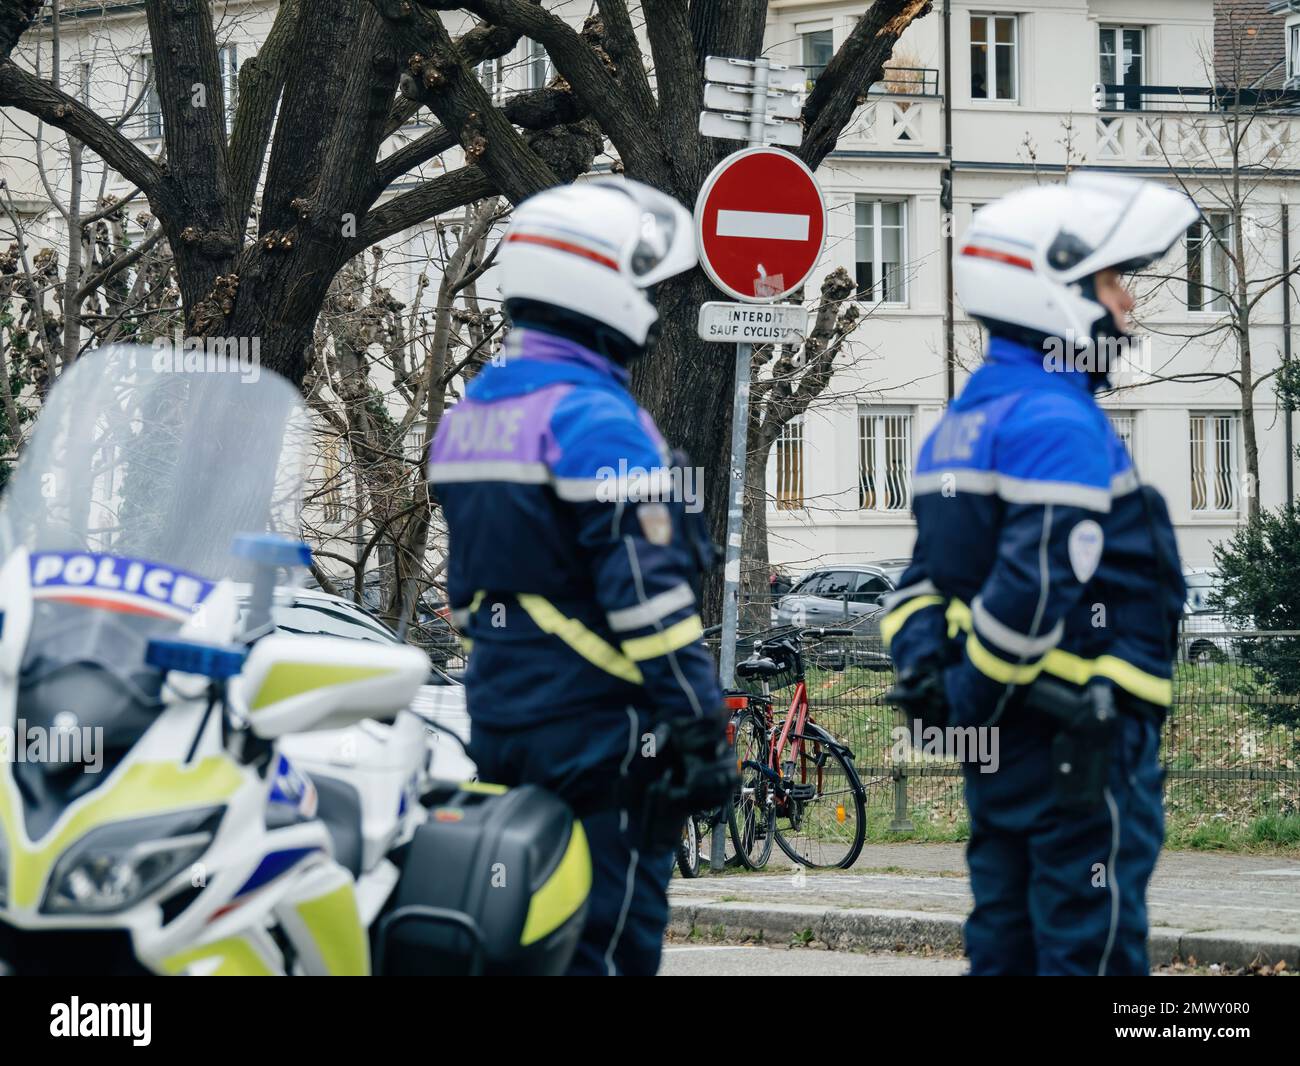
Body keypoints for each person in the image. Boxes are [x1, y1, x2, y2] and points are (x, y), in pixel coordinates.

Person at [882, 173, 1196, 976]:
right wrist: (971, 699)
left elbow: (918, 586)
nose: (1128, 304)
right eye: (1111, 280)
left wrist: (944, 692)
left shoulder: (964, 421)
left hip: (1008, 752)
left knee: (1004, 941)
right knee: (1088, 949)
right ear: (1054, 289)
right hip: (1079, 747)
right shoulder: (1059, 420)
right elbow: (1036, 588)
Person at [427, 178, 734, 976]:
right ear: (598, 284)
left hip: (501, 718)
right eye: (640, 282)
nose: (652, 305)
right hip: (605, 733)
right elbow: (650, 598)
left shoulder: (473, 415)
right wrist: (702, 728)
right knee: (609, 939)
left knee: (529, 937)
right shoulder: (594, 418)